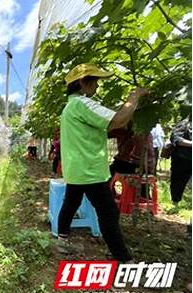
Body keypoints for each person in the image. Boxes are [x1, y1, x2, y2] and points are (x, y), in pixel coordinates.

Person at [57, 63, 148, 262]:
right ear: (83, 82)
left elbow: (98, 128)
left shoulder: (69, 107)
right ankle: (124, 260)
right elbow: (118, 121)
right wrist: (134, 96)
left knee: (71, 203)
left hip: (76, 169)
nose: (97, 86)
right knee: (108, 212)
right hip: (89, 169)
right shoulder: (83, 103)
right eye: (95, 81)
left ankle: (62, 239)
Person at [170, 116, 191, 205]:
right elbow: (176, 139)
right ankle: (176, 201)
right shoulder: (183, 124)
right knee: (178, 181)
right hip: (182, 158)